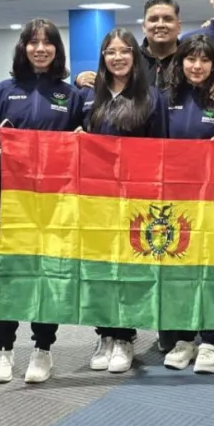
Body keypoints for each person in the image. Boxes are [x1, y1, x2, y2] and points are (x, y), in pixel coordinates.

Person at [0, 19, 83, 384]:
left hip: (54, 202)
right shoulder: (3, 90)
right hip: (9, 199)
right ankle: (3, 349)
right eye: (33, 42)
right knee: (6, 276)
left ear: (57, 49)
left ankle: (43, 349)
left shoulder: (70, 95)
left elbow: (82, 144)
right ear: (23, 48)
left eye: (47, 43)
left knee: (47, 274)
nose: (40, 49)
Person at [79, 28, 168, 373]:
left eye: (124, 51)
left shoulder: (153, 98)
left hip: (135, 200)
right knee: (100, 270)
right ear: (103, 58)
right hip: (97, 200)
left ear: (135, 56)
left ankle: (125, 337)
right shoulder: (89, 96)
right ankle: (104, 334)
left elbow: (161, 151)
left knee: (129, 270)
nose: (117, 57)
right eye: (110, 52)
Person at [161, 34, 214, 374]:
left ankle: (210, 340)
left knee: (211, 268)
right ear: (180, 62)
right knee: (179, 269)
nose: (197, 66)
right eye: (191, 59)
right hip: (175, 199)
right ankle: (184, 338)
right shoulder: (165, 99)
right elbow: (151, 145)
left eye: (204, 60)